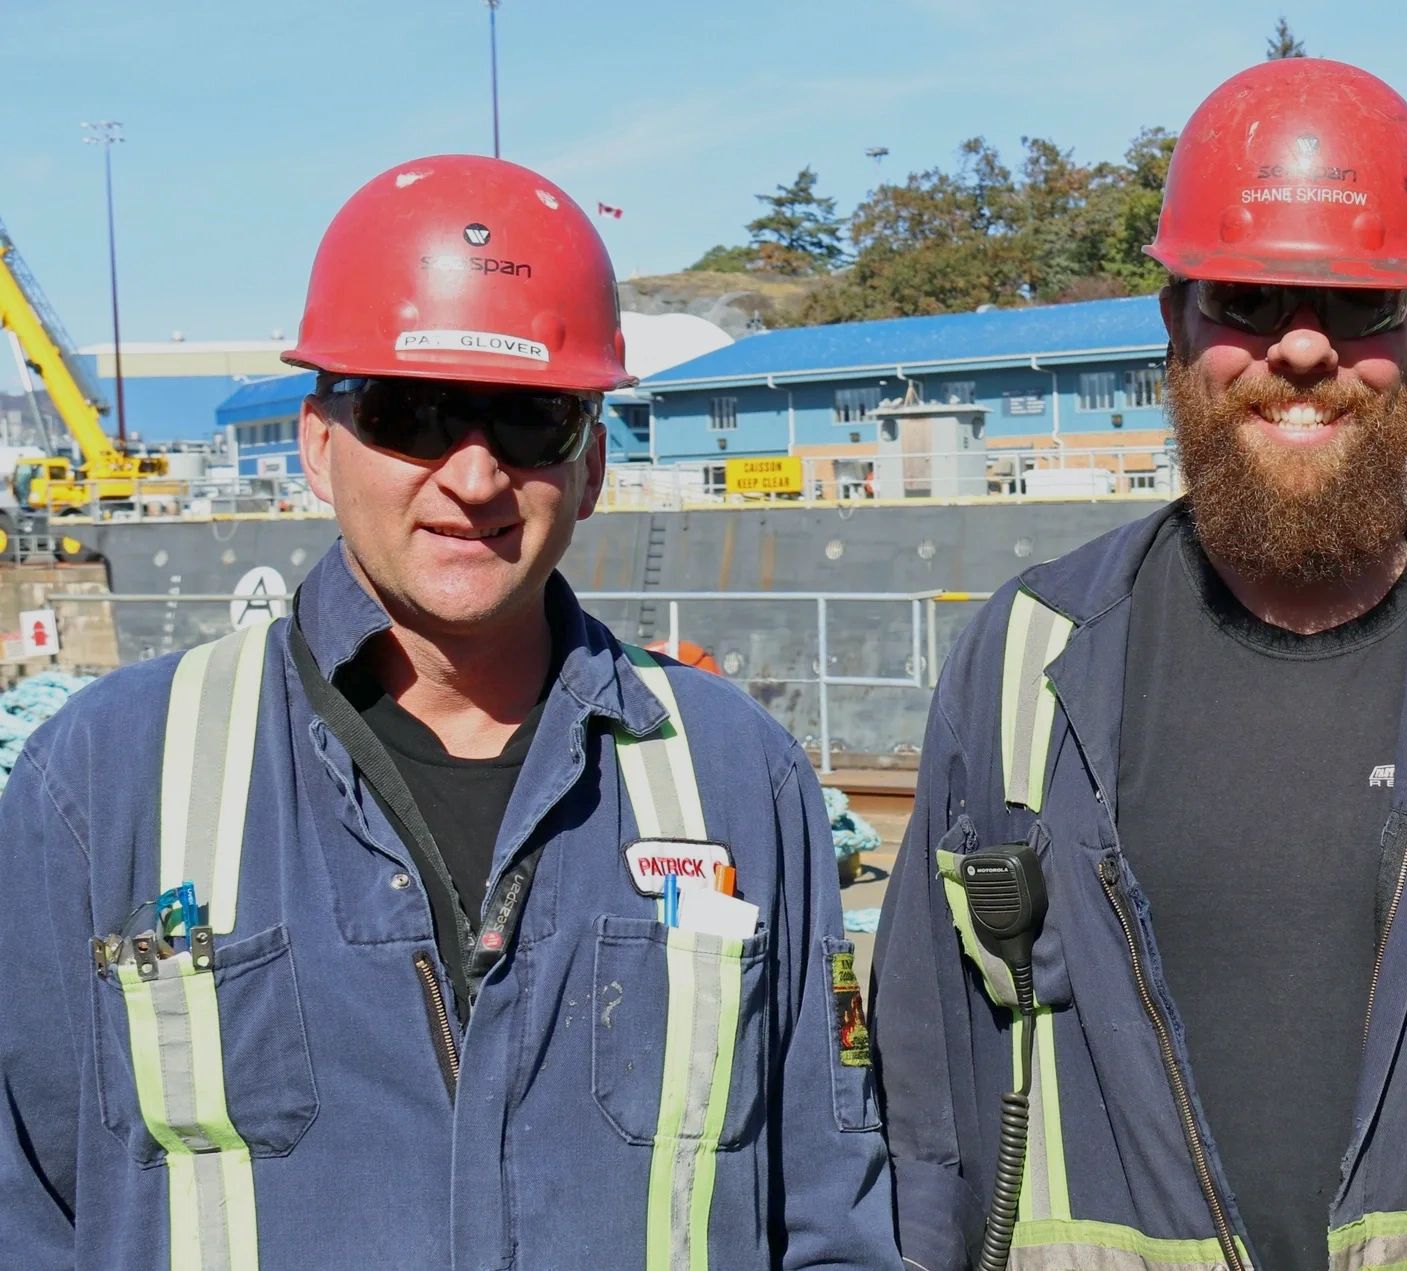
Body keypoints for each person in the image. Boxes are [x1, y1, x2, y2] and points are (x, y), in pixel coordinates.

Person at [871, 57, 1407, 1271]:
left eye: (1358, 306)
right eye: (1247, 295)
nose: (1299, 348)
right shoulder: (1023, 664)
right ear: (1175, 321)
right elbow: (924, 1112)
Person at [0, 155, 894, 1269]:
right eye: (414, 414)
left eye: (529, 421)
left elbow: (830, 1212)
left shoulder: (736, 779)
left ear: (594, 460)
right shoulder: (106, 778)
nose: (473, 477)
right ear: (320, 443)